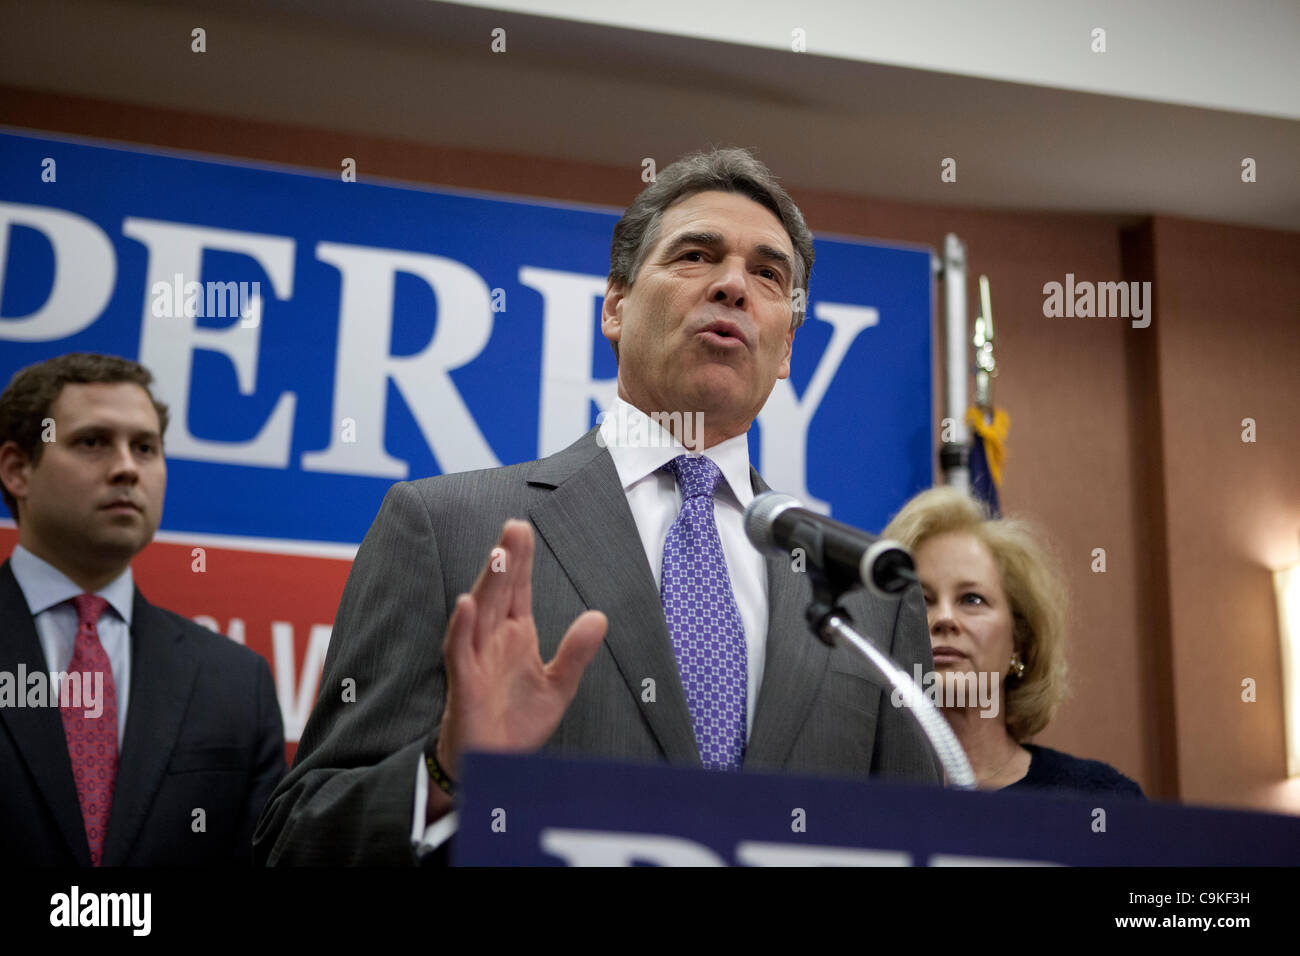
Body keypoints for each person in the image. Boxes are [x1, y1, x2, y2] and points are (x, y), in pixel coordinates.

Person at [255, 146, 942, 865]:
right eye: (696, 256)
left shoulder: (870, 594)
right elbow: (296, 839)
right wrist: (446, 772)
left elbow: (918, 843)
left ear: (788, 346)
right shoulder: (448, 529)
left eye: (768, 275)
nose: (734, 285)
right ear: (615, 307)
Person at [0, 353, 286, 865]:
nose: (127, 468)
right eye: (92, 442)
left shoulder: (237, 684)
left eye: (145, 448)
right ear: (18, 470)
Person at [883, 486, 1144, 797]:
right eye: (921, 600)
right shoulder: (854, 792)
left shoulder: (1097, 797)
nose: (944, 618)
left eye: (972, 599)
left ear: (1019, 641)